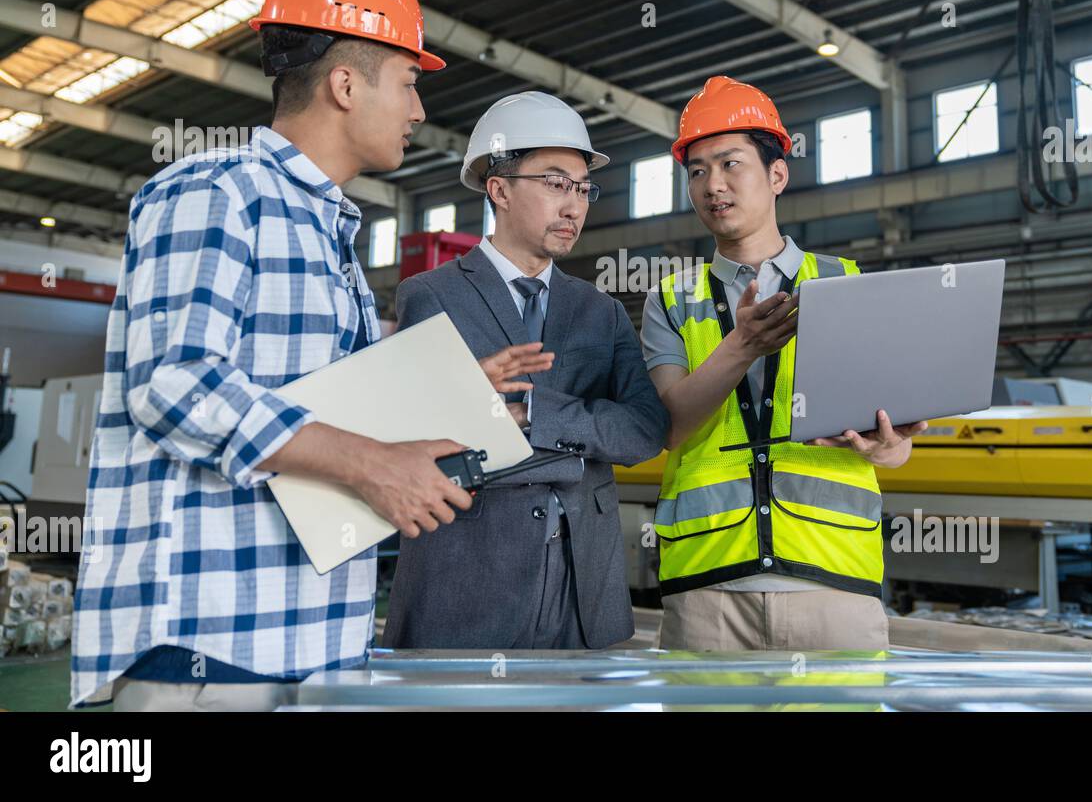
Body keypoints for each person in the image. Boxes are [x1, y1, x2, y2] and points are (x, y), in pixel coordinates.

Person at [69, 0, 535, 710]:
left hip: (311, 644)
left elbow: (310, 404)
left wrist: (441, 395)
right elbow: (176, 385)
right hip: (205, 646)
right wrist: (370, 465)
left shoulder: (332, 240)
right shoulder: (215, 191)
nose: (420, 110)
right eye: (411, 83)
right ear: (346, 84)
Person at [640, 75, 927, 651]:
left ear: (776, 175)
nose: (712, 185)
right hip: (708, 583)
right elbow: (670, 427)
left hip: (834, 579)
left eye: (729, 164)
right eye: (696, 171)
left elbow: (897, 448)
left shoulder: (846, 283)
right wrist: (739, 347)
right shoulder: (670, 300)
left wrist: (889, 446)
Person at [382, 92, 670, 650]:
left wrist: (530, 412)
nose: (575, 206)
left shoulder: (600, 311)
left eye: (584, 189)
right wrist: (578, 450)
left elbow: (642, 430)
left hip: (584, 587)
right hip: (468, 578)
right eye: (556, 183)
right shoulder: (431, 297)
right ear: (500, 188)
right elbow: (420, 441)